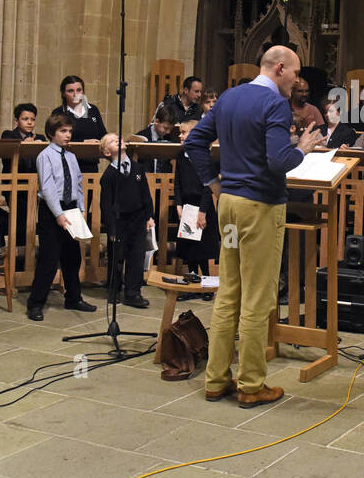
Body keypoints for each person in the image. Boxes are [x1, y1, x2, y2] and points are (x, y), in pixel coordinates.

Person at [184, 46, 321, 409]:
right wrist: (303, 148)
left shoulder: (229, 98)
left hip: (228, 207)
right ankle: (251, 384)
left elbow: (194, 142)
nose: (296, 80)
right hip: (259, 209)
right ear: (279, 68)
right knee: (259, 297)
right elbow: (279, 161)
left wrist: (212, 182)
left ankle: (216, 380)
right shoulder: (274, 104)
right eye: (295, 73)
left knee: (229, 290)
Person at [28, 113, 96, 321]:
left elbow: (77, 184)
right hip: (52, 211)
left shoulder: (71, 156)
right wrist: (58, 214)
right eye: (63, 131)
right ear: (51, 133)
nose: (68, 135)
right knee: (49, 259)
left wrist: (82, 208)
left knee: (72, 257)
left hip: (71, 208)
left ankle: (73, 298)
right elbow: (47, 189)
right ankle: (35, 303)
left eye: (69, 131)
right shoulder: (45, 156)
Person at [98, 133, 154, 310]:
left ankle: (133, 292)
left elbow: (146, 194)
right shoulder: (108, 175)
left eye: (119, 139)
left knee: (136, 255)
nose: (119, 140)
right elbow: (105, 204)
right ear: (107, 152)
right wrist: (111, 228)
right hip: (119, 221)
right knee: (117, 257)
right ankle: (113, 290)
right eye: (113, 141)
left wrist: (149, 216)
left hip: (137, 219)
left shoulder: (137, 169)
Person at [173, 119, 219, 280]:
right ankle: (191, 283)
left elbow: (208, 187)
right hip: (187, 207)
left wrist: (203, 211)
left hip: (202, 207)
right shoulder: (181, 157)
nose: (180, 135)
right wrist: (178, 204)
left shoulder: (205, 157)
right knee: (190, 249)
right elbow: (177, 182)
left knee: (202, 249)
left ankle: (206, 283)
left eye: (184, 132)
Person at [1, 103, 43, 269]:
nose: (29, 122)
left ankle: (30, 261)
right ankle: (18, 263)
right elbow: (6, 154)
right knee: (19, 221)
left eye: (32, 119)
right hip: (14, 185)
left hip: (33, 186)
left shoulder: (38, 136)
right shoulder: (9, 134)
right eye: (25, 119)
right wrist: (26, 143)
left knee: (31, 222)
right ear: (16, 120)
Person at [51, 75, 106, 172]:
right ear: (63, 94)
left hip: (90, 163)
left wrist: (111, 138)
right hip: (66, 162)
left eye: (79, 90)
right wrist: (83, 142)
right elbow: (56, 138)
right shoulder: (59, 113)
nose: (75, 94)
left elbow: (102, 133)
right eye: (70, 91)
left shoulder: (92, 110)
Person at [134, 102, 178, 174]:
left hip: (165, 181)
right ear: (157, 121)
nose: (168, 132)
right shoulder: (141, 136)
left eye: (171, 129)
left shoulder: (172, 138)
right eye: (165, 128)